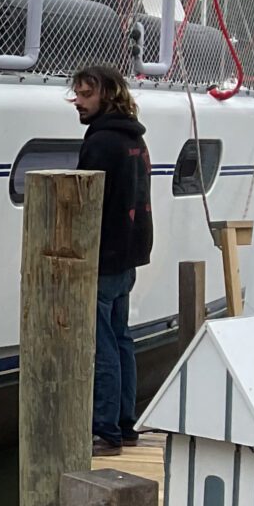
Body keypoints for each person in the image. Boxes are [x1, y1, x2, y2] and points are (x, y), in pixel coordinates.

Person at [70, 65, 154, 457]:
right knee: (121, 339)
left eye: (86, 95)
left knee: (101, 344)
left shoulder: (101, 142)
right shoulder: (135, 139)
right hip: (129, 256)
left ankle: (105, 430)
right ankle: (125, 422)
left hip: (103, 257)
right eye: (76, 94)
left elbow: (85, 199)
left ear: (106, 95)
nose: (78, 102)